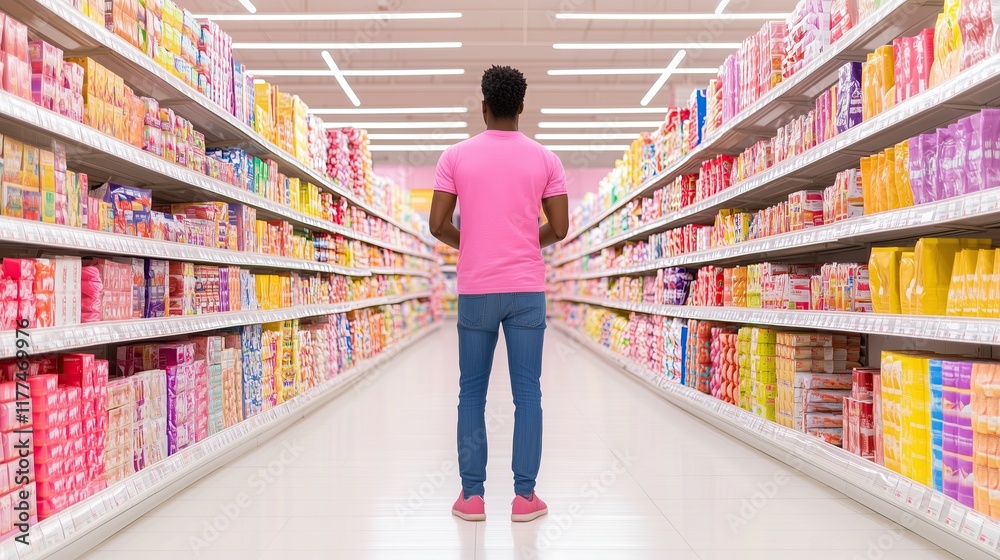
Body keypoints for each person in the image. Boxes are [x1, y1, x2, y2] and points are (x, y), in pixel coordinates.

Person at [429, 65, 569, 523]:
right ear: (521, 107)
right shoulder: (546, 159)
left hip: (476, 291)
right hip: (527, 289)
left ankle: (472, 497)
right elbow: (562, 227)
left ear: (483, 105)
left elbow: (436, 225)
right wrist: (528, 240)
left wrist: (470, 242)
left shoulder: (454, 156)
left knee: (471, 394)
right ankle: (525, 498)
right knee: (528, 393)